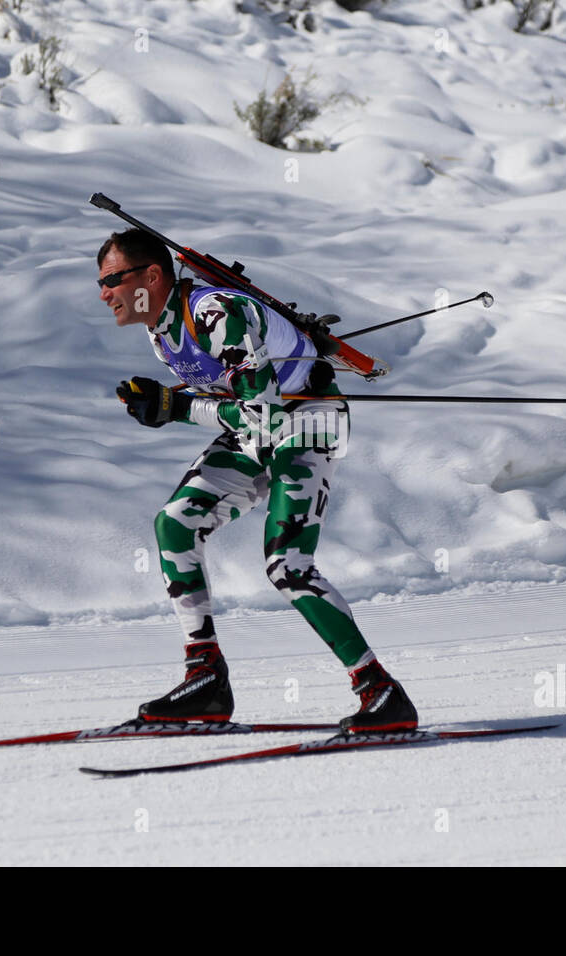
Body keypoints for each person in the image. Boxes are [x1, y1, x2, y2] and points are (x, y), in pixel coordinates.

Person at [96, 226, 418, 734]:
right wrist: (162, 404)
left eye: (112, 279)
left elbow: (263, 416)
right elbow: (240, 413)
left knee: (287, 563)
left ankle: (381, 692)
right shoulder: (161, 329)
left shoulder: (216, 313)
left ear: (150, 275)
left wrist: (174, 408)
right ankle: (206, 680)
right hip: (260, 429)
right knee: (175, 525)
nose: (104, 292)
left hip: (308, 421)